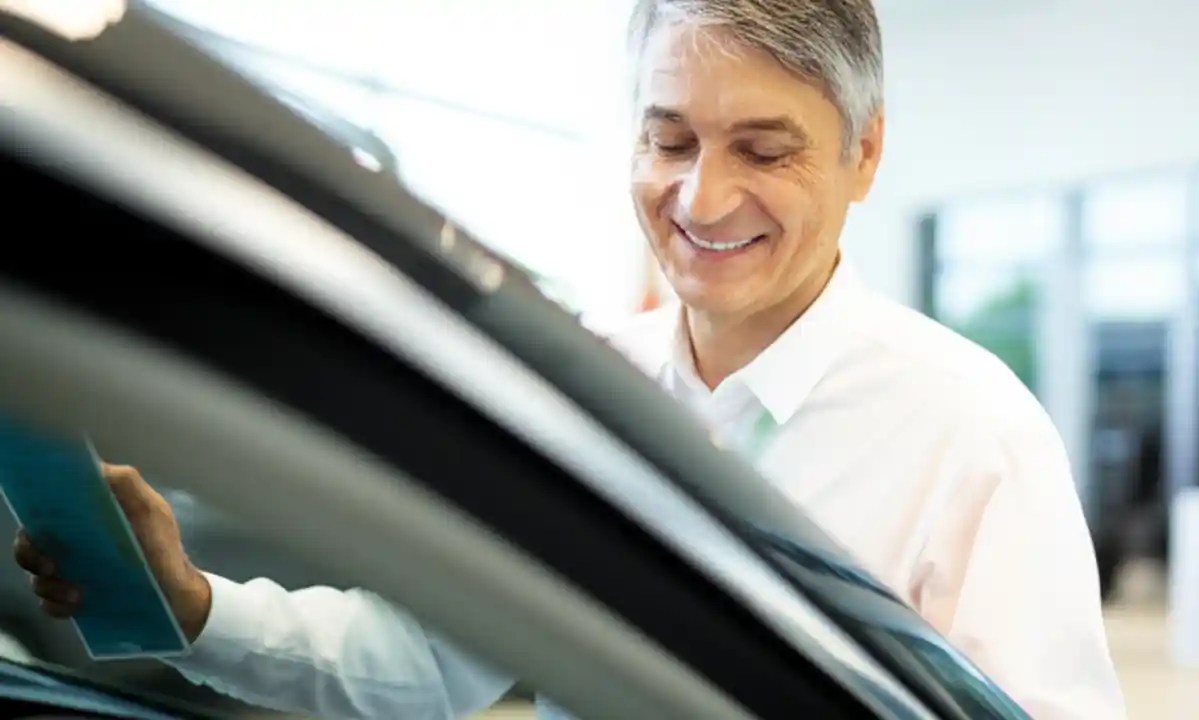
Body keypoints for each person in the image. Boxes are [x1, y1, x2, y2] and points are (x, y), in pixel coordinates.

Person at [12, 0, 1126, 717]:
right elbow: (424, 664)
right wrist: (194, 603)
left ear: (863, 152)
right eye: (669, 137)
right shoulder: (590, 385)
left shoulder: (972, 433)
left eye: (762, 149)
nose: (699, 197)